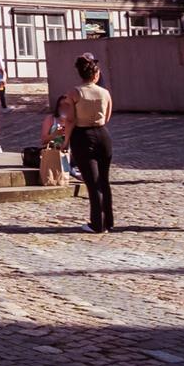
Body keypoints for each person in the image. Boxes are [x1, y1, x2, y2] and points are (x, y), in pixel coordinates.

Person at [65, 53, 114, 233]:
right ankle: (108, 221)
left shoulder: (74, 92)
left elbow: (70, 120)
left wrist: (65, 142)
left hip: (82, 135)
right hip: (103, 134)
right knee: (104, 181)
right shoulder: (105, 93)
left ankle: (96, 223)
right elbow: (107, 117)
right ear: (96, 74)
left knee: (92, 182)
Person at [38, 95, 71, 187]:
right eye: (61, 106)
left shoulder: (73, 121)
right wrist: (55, 134)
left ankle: (73, 172)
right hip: (54, 151)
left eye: (67, 106)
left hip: (70, 151)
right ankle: (74, 173)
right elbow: (44, 140)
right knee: (64, 160)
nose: (64, 108)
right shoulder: (51, 119)